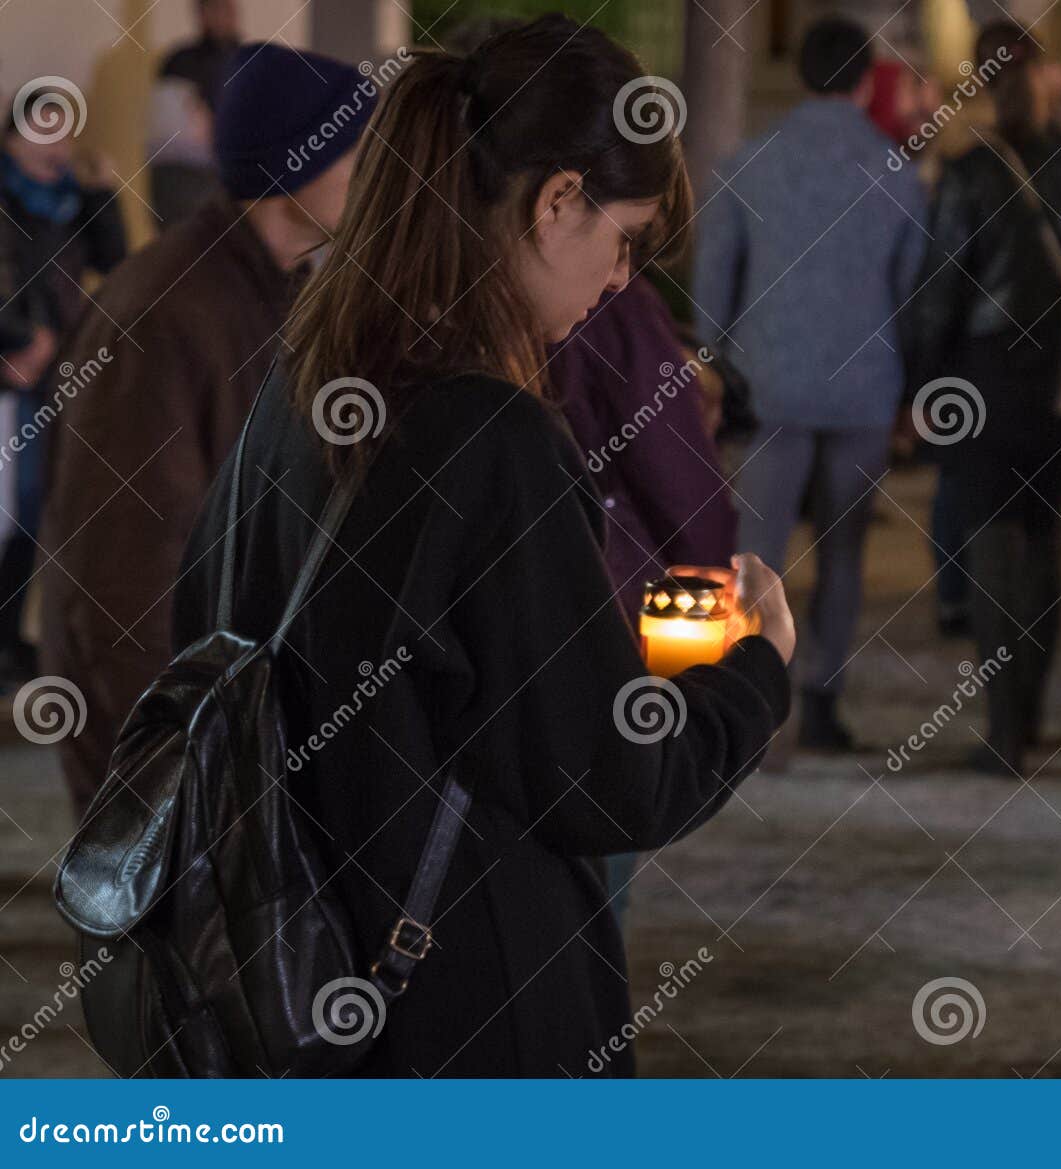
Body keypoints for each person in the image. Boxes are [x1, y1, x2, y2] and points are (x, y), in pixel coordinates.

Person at [171, 18, 795, 1077]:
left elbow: (204, 622)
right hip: (461, 987)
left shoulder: (312, 374)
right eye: (624, 239)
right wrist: (754, 674)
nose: (618, 280)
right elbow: (604, 777)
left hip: (299, 958)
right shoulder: (489, 434)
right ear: (556, 202)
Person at [38, 43, 371, 817]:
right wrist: (180, 759)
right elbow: (122, 574)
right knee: (161, 940)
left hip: (234, 722)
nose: (382, 175)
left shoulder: (279, 288)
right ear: (299, 165)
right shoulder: (166, 313)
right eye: (363, 152)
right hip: (167, 737)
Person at [692, 16, 926, 751]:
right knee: (846, 550)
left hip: (768, 389)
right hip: (863, 385)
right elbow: (912, 292)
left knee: (755, 553)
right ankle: (825, 699)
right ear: (866, 81)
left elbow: (711, 288)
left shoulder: (746, 164)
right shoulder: (898, 172)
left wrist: (713, 363)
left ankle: (748, 701)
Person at [906, 22, 1061, 773]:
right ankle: (1035, 712)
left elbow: (939, 289)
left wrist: (920, 379)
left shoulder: (971, 171)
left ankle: (1003, 730)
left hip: (984, 375)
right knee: (1045, 542)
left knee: (991, 546)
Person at [547, 269, 737, 916]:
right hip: (610, 615)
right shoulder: (610, 303)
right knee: (609, 837)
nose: (622, 263)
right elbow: (684, 486)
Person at [0, 87, 127, 689]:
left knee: (44, 509)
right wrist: (17, 340)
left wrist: (103, 188)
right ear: (13, 137)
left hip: (63, 372)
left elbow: (117, 260)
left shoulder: (74, 200)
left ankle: (17, 642)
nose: (57, 141)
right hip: (13, 370)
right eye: (43, 128)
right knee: (15, 512)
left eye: (64, 128)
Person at [148, 0, 240, 230]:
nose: (223, 16)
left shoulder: (252, 61)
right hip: (187, 179)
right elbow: (168, 134)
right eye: (215, 8)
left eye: (228, 8)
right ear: (200, 13)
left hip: (237, 179)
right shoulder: (179, 62)